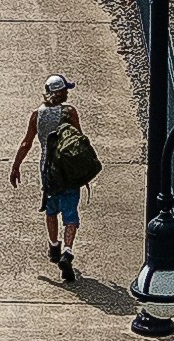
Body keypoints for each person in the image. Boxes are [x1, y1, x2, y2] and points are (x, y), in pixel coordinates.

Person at [6, 68, 103, 287]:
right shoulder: (70, 112)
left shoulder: (36, 115)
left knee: (51, 210)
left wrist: (16, 166)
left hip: (48, 170)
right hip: (68, 169)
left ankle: (53, 246)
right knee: (71, 213)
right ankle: (67, 251)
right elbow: (79, 140)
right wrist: (85, 169)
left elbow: (26, 142)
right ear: (63, 93)